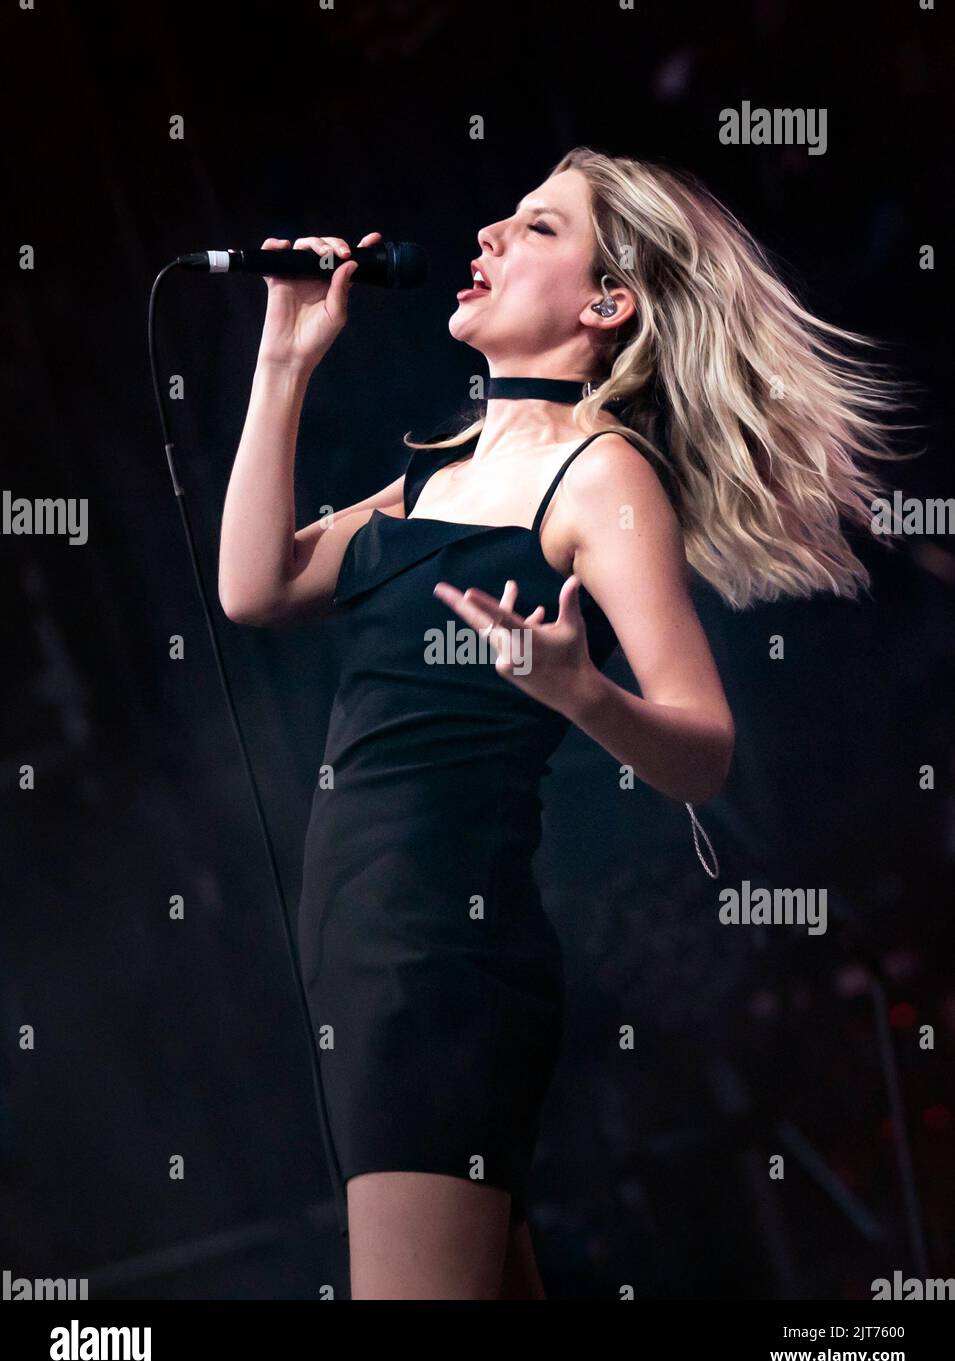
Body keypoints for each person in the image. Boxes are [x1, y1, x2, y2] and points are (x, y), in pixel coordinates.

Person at [218, 146, 898, 1299]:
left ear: (606, 305)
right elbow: (255, 587)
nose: (485, 233)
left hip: (438, 961)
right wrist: (283, 360)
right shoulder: (435, 472)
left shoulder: (599, 475)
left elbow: (701, 746)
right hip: (364, 954)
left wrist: (582, 690)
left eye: (535, 227)